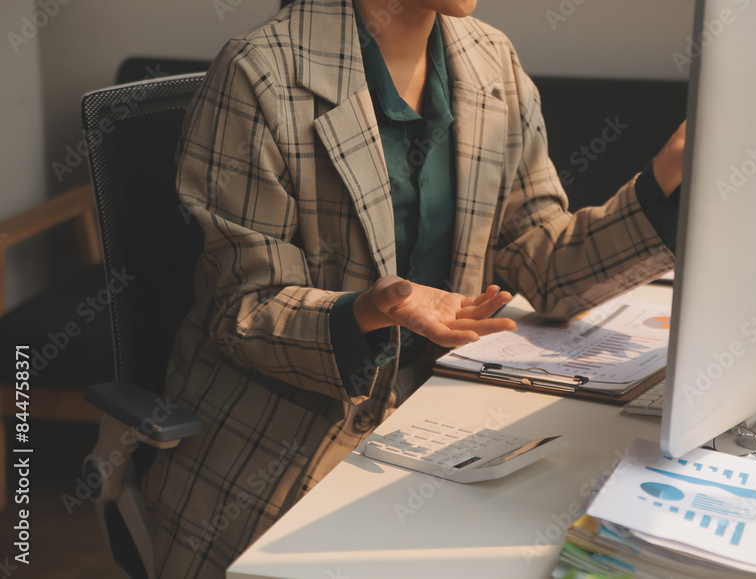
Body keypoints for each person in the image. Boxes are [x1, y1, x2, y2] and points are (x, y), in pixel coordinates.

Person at [142, 0, 686, 576]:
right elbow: (242, 309)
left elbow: (537, 265)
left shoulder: (489, 58)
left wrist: (659, 189)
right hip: (287, 438)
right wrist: (361, 315)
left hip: (446, 412)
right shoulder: (260, 72)